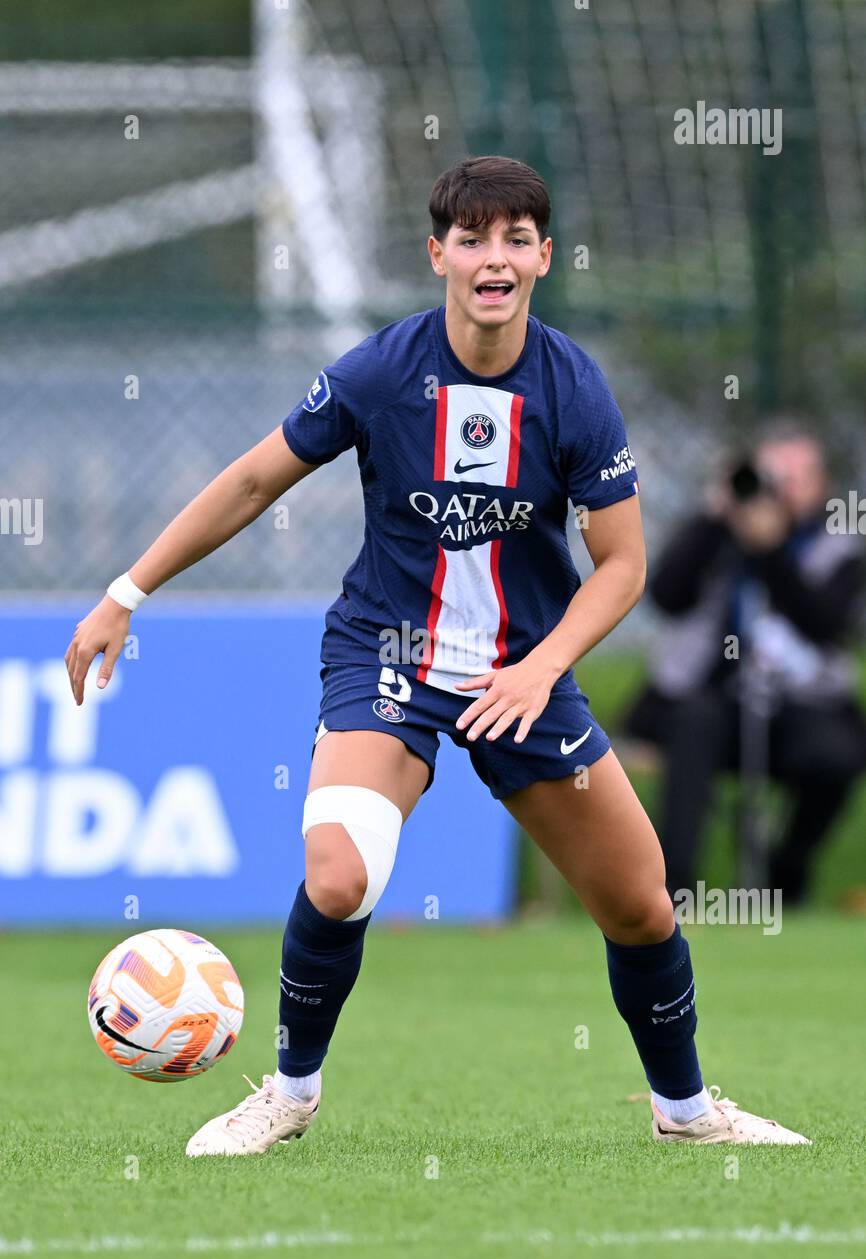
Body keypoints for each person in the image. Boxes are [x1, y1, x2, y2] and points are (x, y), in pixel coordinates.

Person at [65, 156, 809, 1149]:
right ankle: (286, 1093)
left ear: (542, 257)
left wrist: (542, 668)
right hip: (389, 653)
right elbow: (252, 482)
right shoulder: (382, 371)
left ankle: (684, 1114)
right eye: (470, 239)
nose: (490, 258)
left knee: (638, 908)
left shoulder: (573, 390)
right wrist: (125, 591)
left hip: (521, 671)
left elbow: (621, 567)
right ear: (437, 255)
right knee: (339, 875)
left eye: (513, 239)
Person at [626, 422, 866, 903]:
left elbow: (825, 625)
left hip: (802, 708)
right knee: (693, 722)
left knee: (839, 757)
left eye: (797, 478)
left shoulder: (840, 544)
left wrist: (771, 550)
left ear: (821, 485)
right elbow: (667, 595)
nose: (783, 490)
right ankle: (673, 891)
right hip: (719, 702)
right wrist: (714, 517)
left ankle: (786, 873)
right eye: (773, 477)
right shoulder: (718, 536)